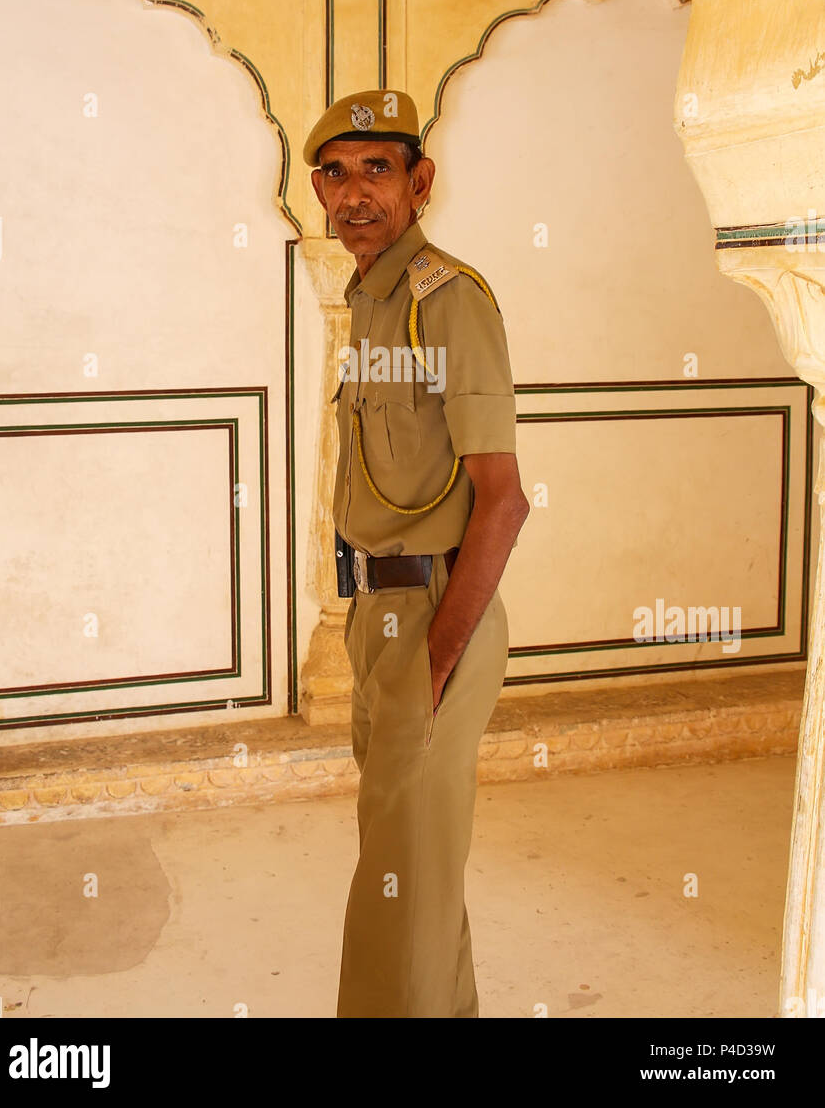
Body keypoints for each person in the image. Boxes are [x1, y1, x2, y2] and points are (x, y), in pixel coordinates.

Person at [306, 89, 529, 1018]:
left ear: (420, 182)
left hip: (435, 616)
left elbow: (504, 501)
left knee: (403, 885)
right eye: (335, 173)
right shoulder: (369, 297)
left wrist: (436, 657)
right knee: (416, 875)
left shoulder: (448, 297)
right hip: (379, 618)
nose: (355, 193)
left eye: (379, 169)